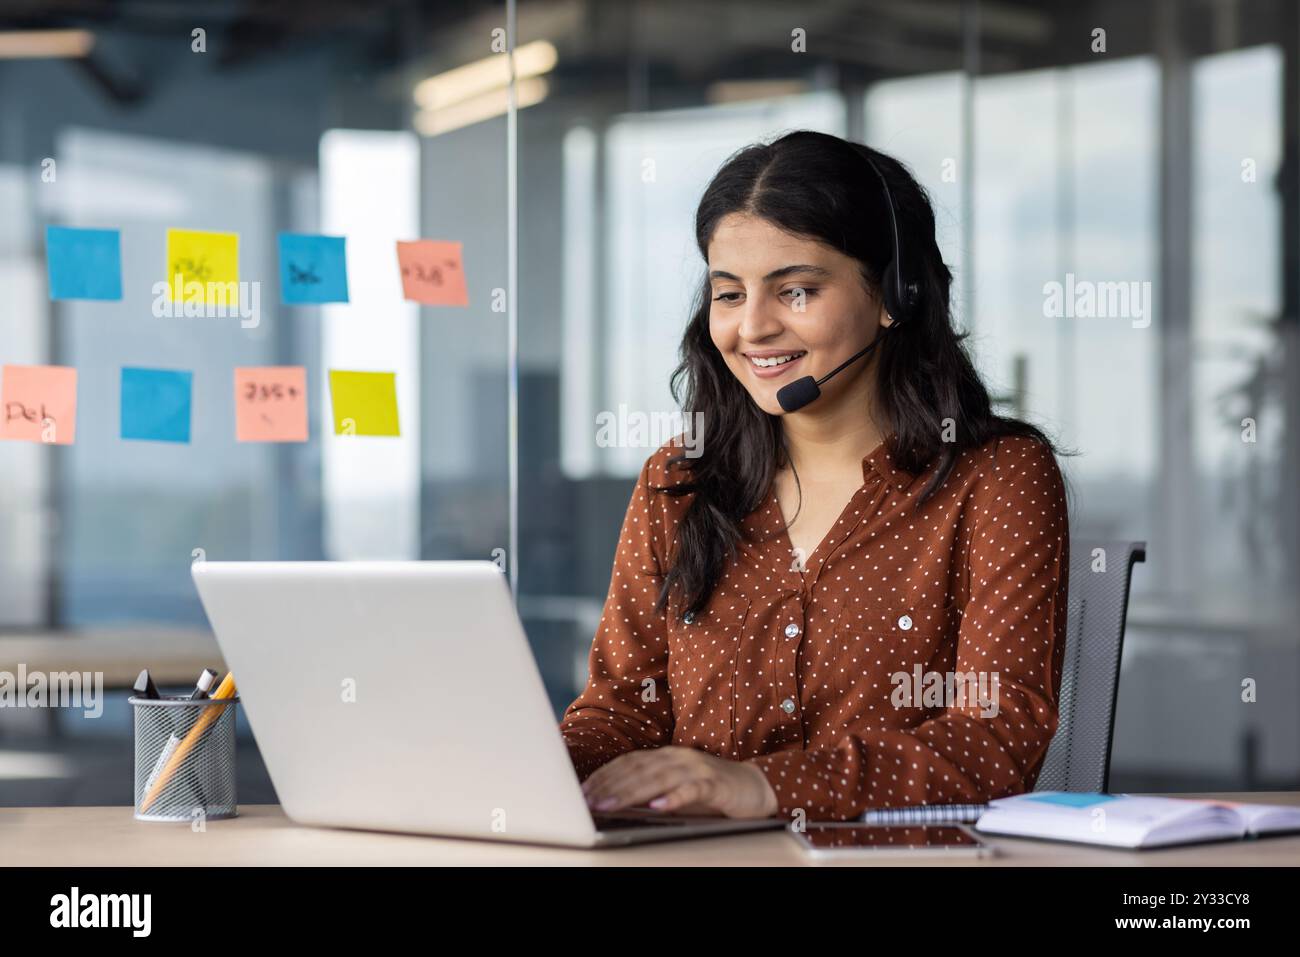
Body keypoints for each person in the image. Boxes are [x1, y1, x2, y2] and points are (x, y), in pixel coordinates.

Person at [562, 129, 1071, 822]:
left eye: (796, 290)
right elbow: (623, 710)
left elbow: (995, 736)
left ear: (893, 294)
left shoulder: (996, 477)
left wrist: (763, 786)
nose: (754, 327)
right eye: (729, 294)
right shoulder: (678, 481)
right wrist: (532, 771)